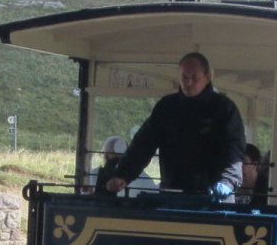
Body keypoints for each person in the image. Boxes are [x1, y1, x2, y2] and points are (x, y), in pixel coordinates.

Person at [103, 52, 246, 197]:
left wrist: (228, 181)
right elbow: (143, 144)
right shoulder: (166, 107)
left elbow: (234, 149)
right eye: (184, 77)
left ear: (208, 77)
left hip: (214, 196)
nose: (188, 83)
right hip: (172, 193)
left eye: (194, 78)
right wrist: (123, 174)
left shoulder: (224, 109)